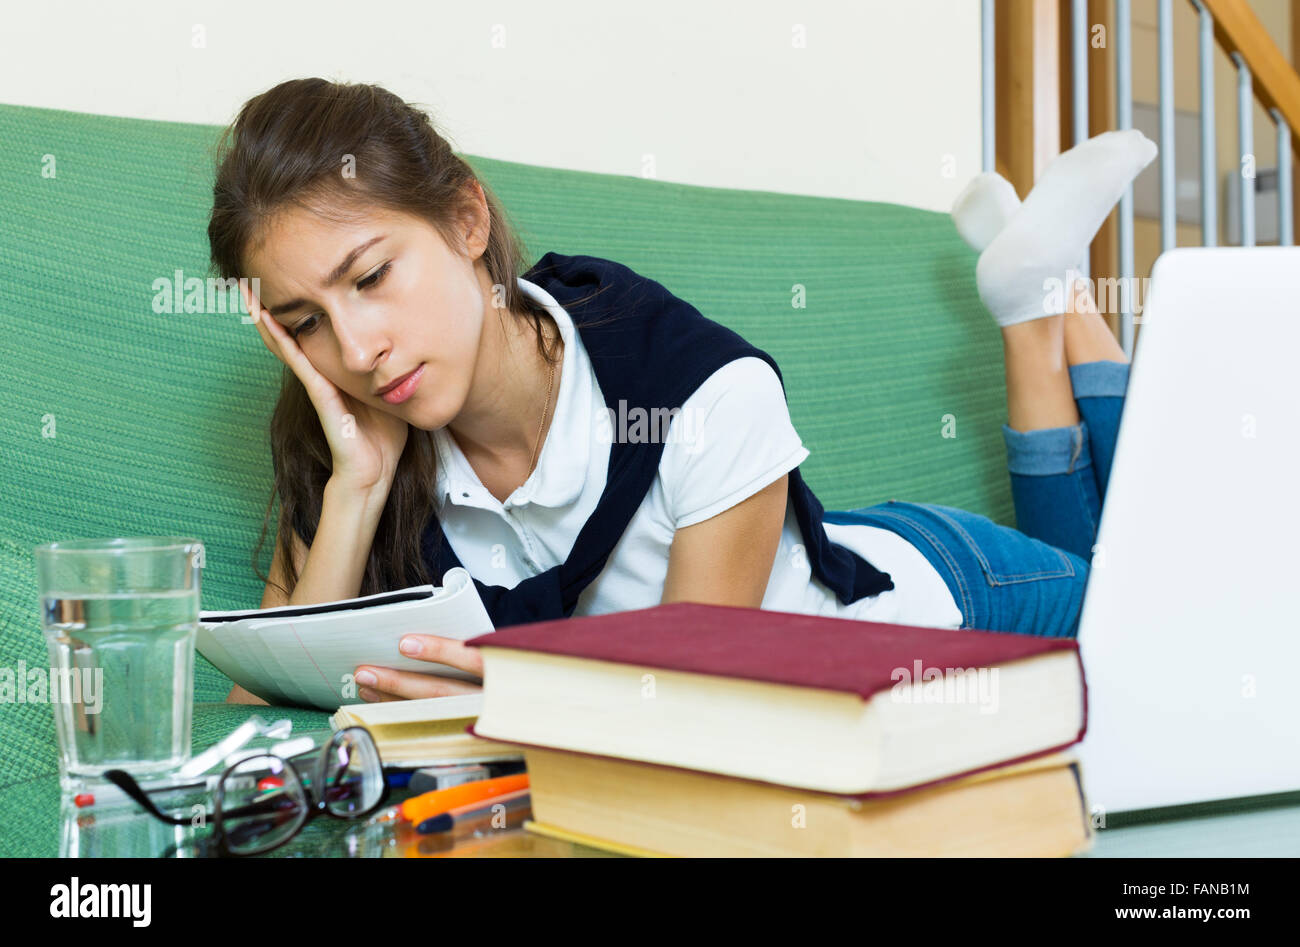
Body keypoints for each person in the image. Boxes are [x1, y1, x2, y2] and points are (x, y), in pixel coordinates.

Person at [211, 79, 1154, 705]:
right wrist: (356, 492)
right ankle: (1041, 292)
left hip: (941, 593)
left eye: (372, 276)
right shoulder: (354, 440)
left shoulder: (698, 387)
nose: (359, 347)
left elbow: (699, 707)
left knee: (1165, 616)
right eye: (305, 323)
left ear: (465, 218)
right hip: (784, 557)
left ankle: (1042, 306)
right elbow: (256, 720)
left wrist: (509, 701)